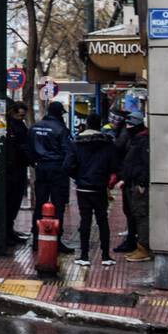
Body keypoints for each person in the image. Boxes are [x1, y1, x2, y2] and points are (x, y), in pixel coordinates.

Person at [64, 112, 119, 266]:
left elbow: (67, 166)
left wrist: (79, 177)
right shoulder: (108, 143)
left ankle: (84, 256)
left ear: (87, 124)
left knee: (85, 221)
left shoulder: (76, 143)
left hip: (83, 188)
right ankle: (106, 256)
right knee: (102, 220)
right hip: (100, 187)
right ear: (99, 124)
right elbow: (115, 165)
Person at [30, 100, 74, 254]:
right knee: (58, 206)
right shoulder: (61, 129)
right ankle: (56, 239)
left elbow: (29, 149)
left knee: (39, 205)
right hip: (56, 169)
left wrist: (35, 163)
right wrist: (65, 170)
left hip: (41, 168)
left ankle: (36, 239)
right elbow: (68, 152)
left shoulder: (35, 127)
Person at [119, 112, 152, 262]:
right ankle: (138, 246)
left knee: (141, 215)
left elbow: (144, 164)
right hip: (131, 183)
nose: (128, 127)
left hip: (138, 185)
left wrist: (141, 183)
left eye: (131, 125)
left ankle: (143, 249)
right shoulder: (136, 139)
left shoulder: (143, 141)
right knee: (135, 214)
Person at [109, 109, 138, 254]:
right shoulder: (124, 132)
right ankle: (132, 235)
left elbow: (120, 150)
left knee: (130, 209)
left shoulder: (125, 134)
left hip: (128, 178)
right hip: (126, 177)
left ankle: (132, 239)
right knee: (129, 209)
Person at [5, 101, 32, 244]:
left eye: (23, 115)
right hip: (12, 170)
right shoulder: (9, 127)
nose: (21, 117)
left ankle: (10, 230)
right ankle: (7, 232)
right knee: (10, 202)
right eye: (19, 114)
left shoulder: (19, 125)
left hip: (19, 167)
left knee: (14, 202)